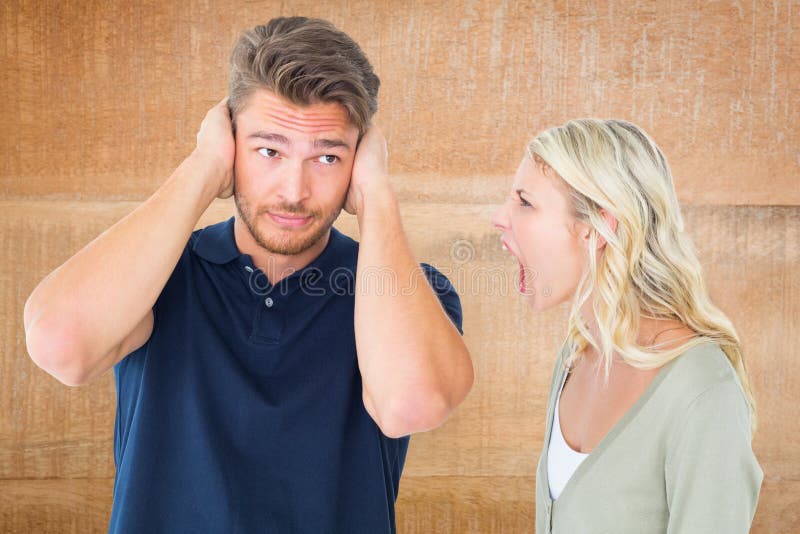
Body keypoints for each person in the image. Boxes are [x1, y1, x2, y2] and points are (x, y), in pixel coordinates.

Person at [23, 17, 473, 533]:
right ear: (231, 139)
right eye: (268, 150)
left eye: (327, 156)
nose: (294, 190)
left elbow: (407, 404)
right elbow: (60, 347)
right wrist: (204, 164)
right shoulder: (159, 274)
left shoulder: (416, 293)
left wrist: (379, 197)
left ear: (359, 160)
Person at [491, 119, 762, 533]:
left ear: (597, 228)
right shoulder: (575, 357)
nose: (499, 218)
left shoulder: (704, 392)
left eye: (525, 202)